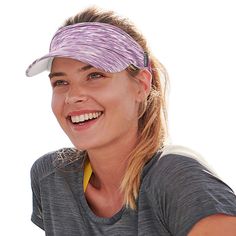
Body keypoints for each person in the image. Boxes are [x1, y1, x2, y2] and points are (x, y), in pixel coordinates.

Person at [26, 7, 236, 236]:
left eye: (95, 75)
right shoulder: (51, 178)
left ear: (142, 85)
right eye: (60, 82)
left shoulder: (177, 178)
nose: (73, 96)